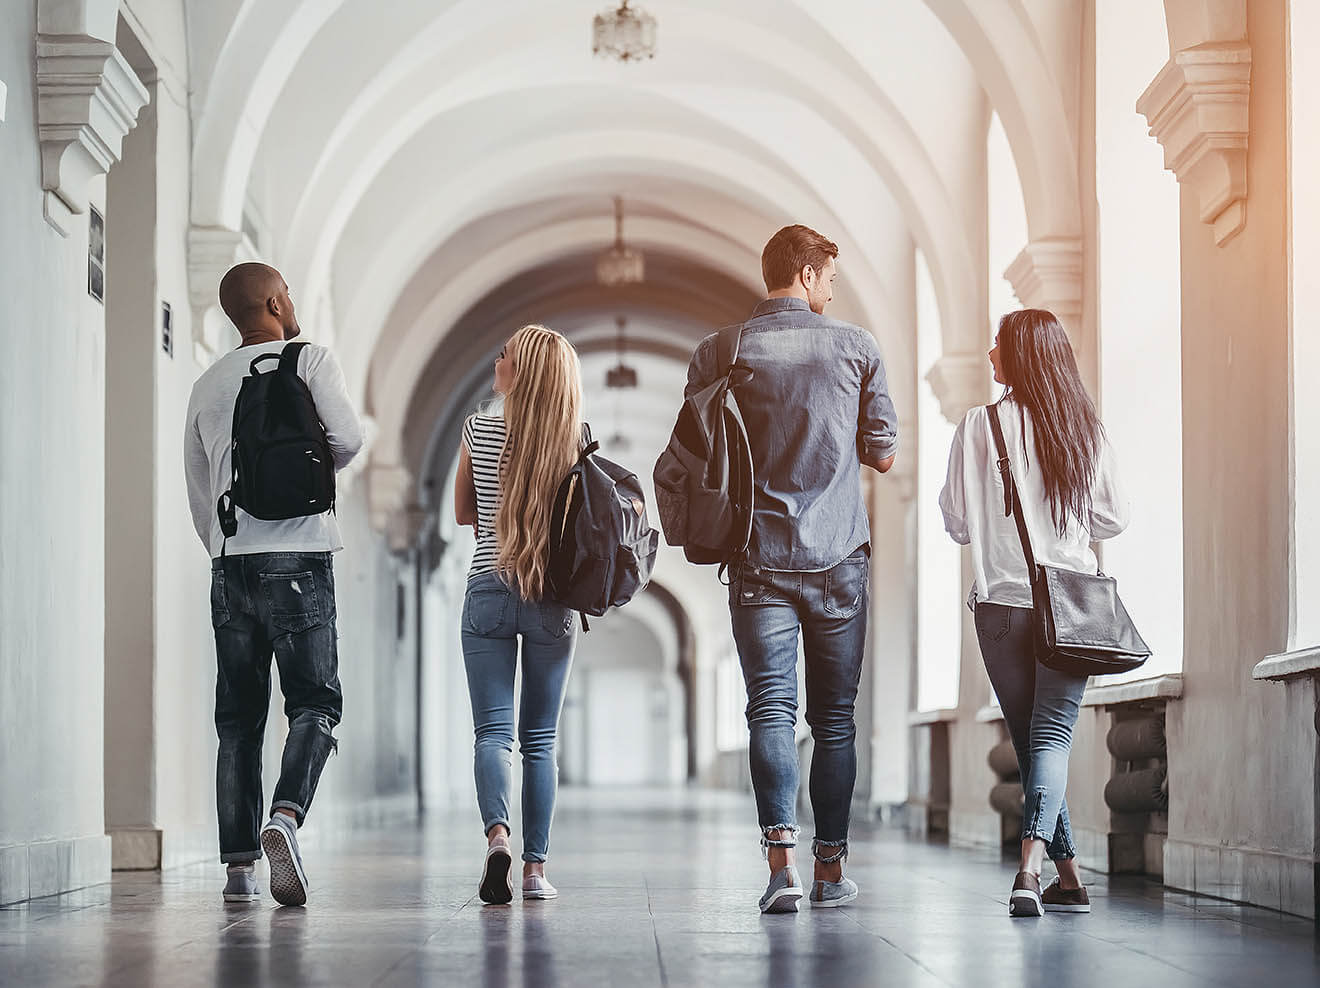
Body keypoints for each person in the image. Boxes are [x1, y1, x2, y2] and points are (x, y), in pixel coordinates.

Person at [684, 225, 898, 913]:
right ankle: (830, 871)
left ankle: (782, 870)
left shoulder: (720, 351)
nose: (832, 289)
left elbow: (698, 450)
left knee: (769, 710)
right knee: (834, 721)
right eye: (829, 277)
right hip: (839, 558)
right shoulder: (858, 347)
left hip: (757, 558)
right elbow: (883, 453)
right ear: (806, 274)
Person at [184, 262, 364, 906]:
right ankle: (284, 817)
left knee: (238, 718)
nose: (290, 300)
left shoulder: (206, 383)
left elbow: (198, 490)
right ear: (273, 303)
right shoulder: (309, 360)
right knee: (314, 702)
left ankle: (238, 872)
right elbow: (349, 440)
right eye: (285, 291)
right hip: (301, 554)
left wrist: (226, 546)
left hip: (231, 561)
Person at [939, 308, 1129, 917]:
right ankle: (1046, 873)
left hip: (1000, 607)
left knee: (1032, 742)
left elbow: (958, 524)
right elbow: (1112, 518)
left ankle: (1047, 873)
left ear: (1021, 354)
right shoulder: (1083, 428)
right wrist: (1062, 519)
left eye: (998, 343)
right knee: (1046, 740)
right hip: (1070, 605)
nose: (990, 352)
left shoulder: (977, 426)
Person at [453, 324, 583, 904]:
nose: (496, 361)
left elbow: (464, 513)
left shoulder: (476, 428)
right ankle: (534, 871)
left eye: (503, 355)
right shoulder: (574, 440)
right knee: (541, 741)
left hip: (488, 587)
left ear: (520, 372)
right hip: (551, 596)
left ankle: (497, 839)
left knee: (492, 733)